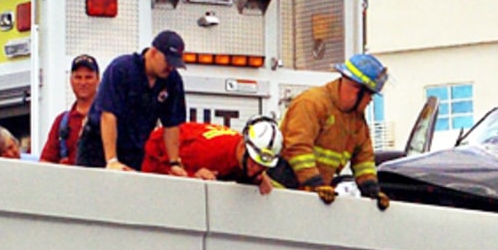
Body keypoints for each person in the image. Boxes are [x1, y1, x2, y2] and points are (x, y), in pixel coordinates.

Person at [267, 53, 391, 210]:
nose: (370, 100)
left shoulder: (356, 119)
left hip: (312, 192)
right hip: (282, 190)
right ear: (357, 89)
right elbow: (297, 148)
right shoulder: (312, 103)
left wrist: (372, 190)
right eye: (370, 94)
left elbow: (363, 158)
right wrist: (314, 183)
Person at [75, 30, 188, 174]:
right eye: (167, 62)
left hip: (133, 148)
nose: (170, 67)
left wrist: (174, 163)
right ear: (153, 53)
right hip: (98, 144)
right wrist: (112, 161)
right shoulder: (122, 69)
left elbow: (172, 125)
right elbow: (108, 115)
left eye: (174, 64)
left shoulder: (172, 81)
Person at [142, 116, 282, 195]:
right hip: (153, 152)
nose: (255, 170)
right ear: (243, 147)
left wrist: (258, 179)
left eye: (262, 167)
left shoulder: (242, 157)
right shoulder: (207, 152)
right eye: (253, 163)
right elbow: (162, 165)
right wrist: (192, 177)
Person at [38, 53, 100, 164]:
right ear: (71, 81)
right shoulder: (61, 122)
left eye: (88, 77)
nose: (83, 82)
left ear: (98, 80)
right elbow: (45, 163)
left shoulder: (108, 117)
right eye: (78, 77)